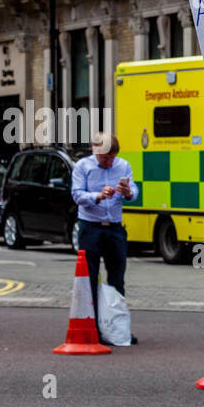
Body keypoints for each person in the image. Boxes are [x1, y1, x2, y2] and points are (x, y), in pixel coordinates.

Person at [70, 132, 136, 344]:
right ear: (95, 151)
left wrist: (127, 192)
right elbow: (77, 195)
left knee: (117, 278)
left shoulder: (123, 165)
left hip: (115, 228)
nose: (108, 162)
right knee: (89, 278)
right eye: (104, 158)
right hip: (91, 227)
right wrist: (97, 196)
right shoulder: (82, 166)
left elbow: (134, 192)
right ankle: (94, 329)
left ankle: (117, 329)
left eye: (111, 158)